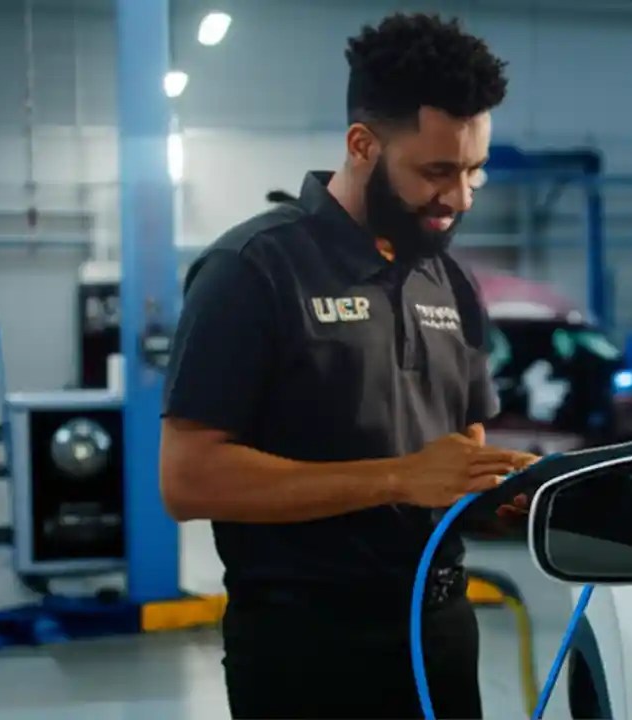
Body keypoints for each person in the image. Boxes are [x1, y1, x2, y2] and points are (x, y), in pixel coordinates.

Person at [158, 12, 536, 719]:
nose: (459, 198)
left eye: (474, 171)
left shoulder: (446, 281)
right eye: (437, 171)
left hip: (443, 631)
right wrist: (398, 477)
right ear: (362, 144)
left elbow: (460, 456)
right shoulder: (253, 270)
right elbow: (187, 478)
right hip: (307, 648)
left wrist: (503, 496)